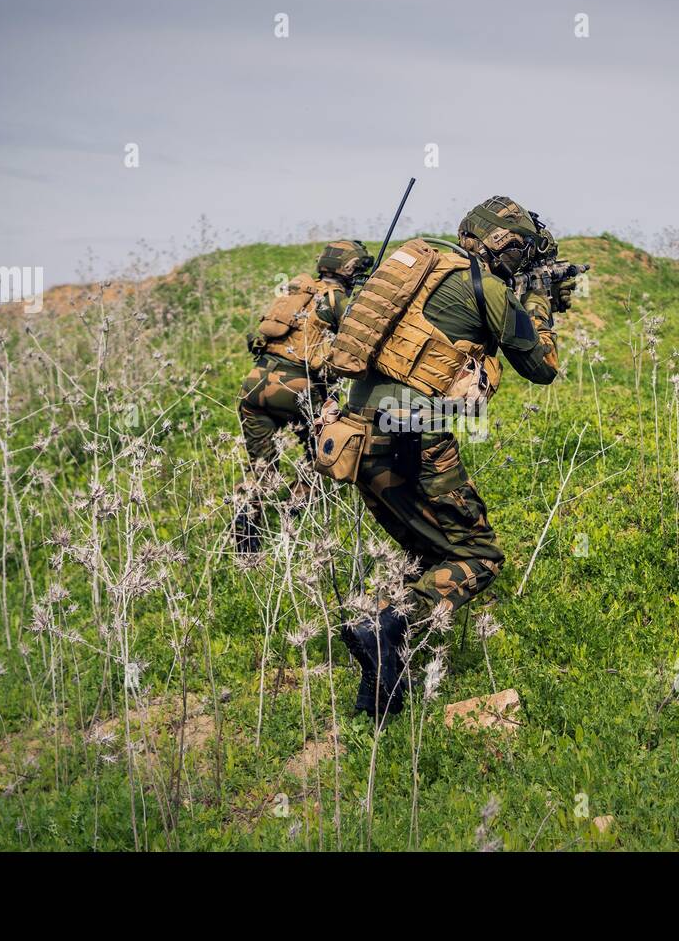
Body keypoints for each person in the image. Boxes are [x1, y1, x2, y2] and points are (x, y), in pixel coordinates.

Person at [331, 197, 573, 717]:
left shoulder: (419, 266)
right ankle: (384, 627)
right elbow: (542, 367)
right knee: (478, 556)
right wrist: (539, 303)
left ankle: (380, 696)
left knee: (429, 554)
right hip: (412, 435)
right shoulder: (487, 289)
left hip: (357, 434)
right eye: (521, 251)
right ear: (504, 246)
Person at [234, 240, 372, 553]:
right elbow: (357, 341)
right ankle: (295, 514)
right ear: (350, 269)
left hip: (254, 385)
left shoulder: (297, 292)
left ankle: (245, 534)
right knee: (321, 456)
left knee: (260, 465)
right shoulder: (335, 299)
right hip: (297, 389)